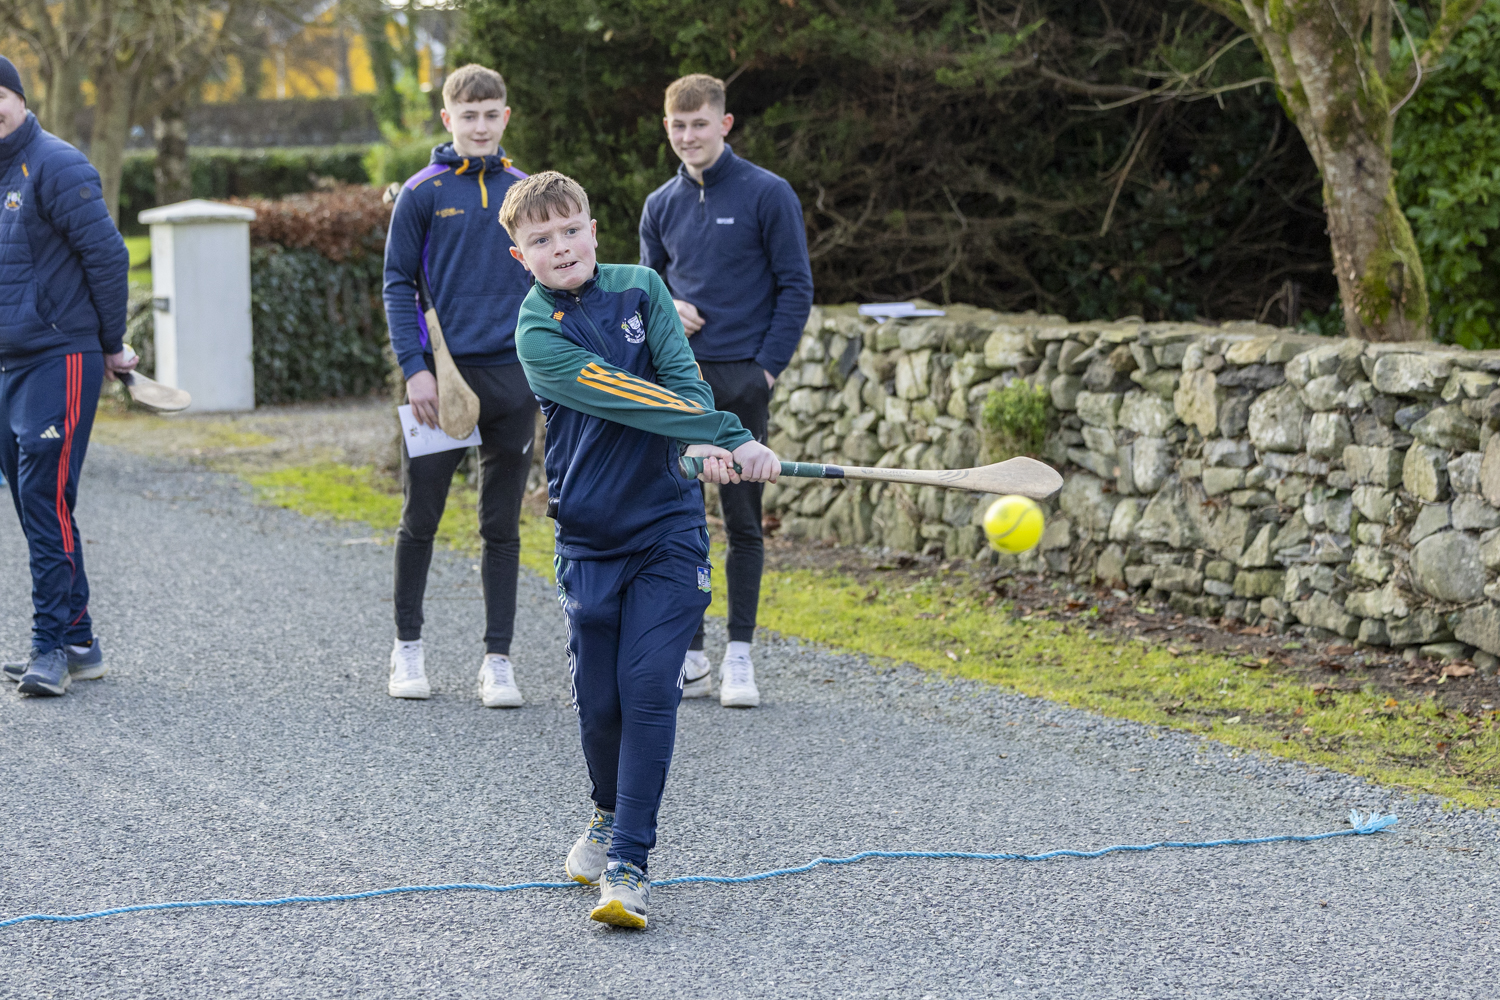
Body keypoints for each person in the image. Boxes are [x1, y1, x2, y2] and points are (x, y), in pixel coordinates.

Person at [503, 171, 779, 928]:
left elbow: (681, 387)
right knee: (599, 704)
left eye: (571, 230)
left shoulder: (644, 290)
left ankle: (628, 863)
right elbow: (625, 395)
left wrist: (707, 449)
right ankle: (603, 811)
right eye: (540, 240)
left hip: (667, 529)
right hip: (590, 538)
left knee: (650, 688)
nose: (560, 248)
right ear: (518, 255)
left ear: (594, 229)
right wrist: (726, 435)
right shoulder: (537, 335)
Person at [639, 73, 813, 708]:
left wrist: (764, 370)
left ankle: (739, 655)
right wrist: (669, 308)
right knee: (681, 520)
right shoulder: (659, 204)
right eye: (678, 127)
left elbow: (796, 286)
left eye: (700, 124)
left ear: (724, 124)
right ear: (668, 129)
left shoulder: (769, 193)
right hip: (679, 388)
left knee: (741, 521)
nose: (689, 136)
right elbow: (645, 292)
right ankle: (692, 655)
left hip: (744, 379)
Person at [382, 64, 537, 707]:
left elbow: (553, 278)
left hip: (514, 381)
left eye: (491, 113)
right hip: (438, 383)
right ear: (448, 120)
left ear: (505, 117)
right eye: (467, 115)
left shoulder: (528, 191)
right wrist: (414, 368)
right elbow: (397, 284)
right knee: (421, 518)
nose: (480, 125)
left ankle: (497, 660)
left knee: (501, 526)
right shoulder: (422, 192)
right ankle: (407, 648)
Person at [0, 55, 133, 697]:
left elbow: (108, 256)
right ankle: (80, 639)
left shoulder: (58, 163)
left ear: (19, 98)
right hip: (6, 364)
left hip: (62, 357)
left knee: (45, 500)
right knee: (36, 504)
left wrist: (111, 343)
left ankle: (48, 645)